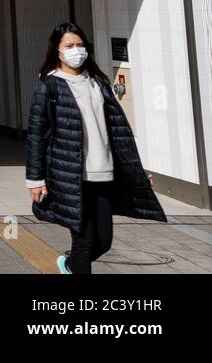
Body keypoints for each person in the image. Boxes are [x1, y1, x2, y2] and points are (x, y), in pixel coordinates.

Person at [25, 21, 166, 274]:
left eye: (80, 45)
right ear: (57, 50)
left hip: (104, 174)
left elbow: (119, 134)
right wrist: (35, 179)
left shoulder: (98, 83)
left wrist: (138, 173)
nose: (75, 50)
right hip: (70, 177)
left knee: (104, 241)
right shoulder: (50, 86)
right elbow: (37, 135)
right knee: (84, 241)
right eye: (69, 45)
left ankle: (68, 264)